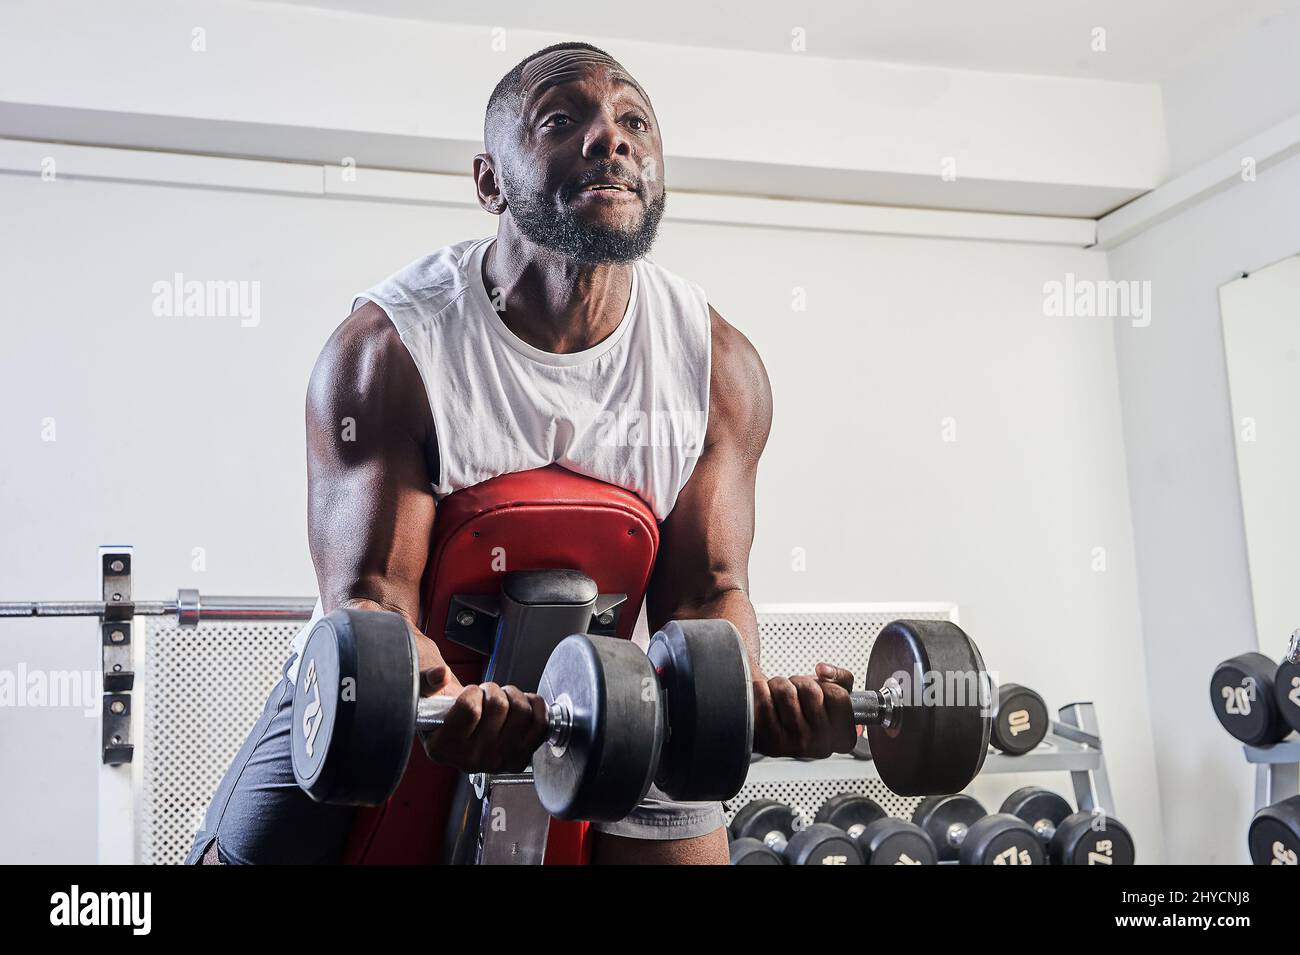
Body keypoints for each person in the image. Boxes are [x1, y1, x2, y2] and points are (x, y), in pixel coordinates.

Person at [188, 41, 857, 866]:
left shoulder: (716, 365)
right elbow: (369, 598)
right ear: (489, 181)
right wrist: (445, 701)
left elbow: (708, 593)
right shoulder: (392, 348)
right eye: (561, 118)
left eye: (633, 122)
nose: (609, 139)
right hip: (387, 689)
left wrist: (748, 702)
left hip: (622, 688)